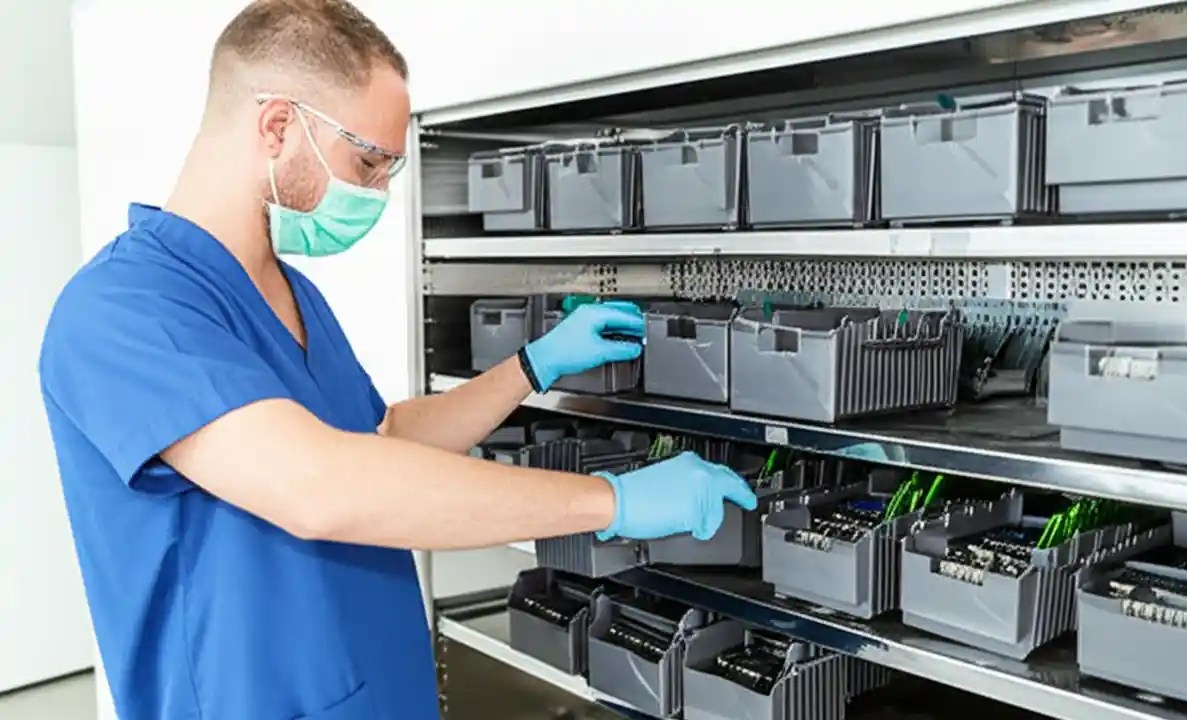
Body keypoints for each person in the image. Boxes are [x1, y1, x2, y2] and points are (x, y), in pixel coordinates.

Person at [38, 1, 757, 718]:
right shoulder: (122, 309)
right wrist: (613, 503)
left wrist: (531, 368)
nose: (378, 192)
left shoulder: (293, 293)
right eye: (368, 161)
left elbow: (379, 440)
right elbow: (318, 483)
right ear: (277, 125)